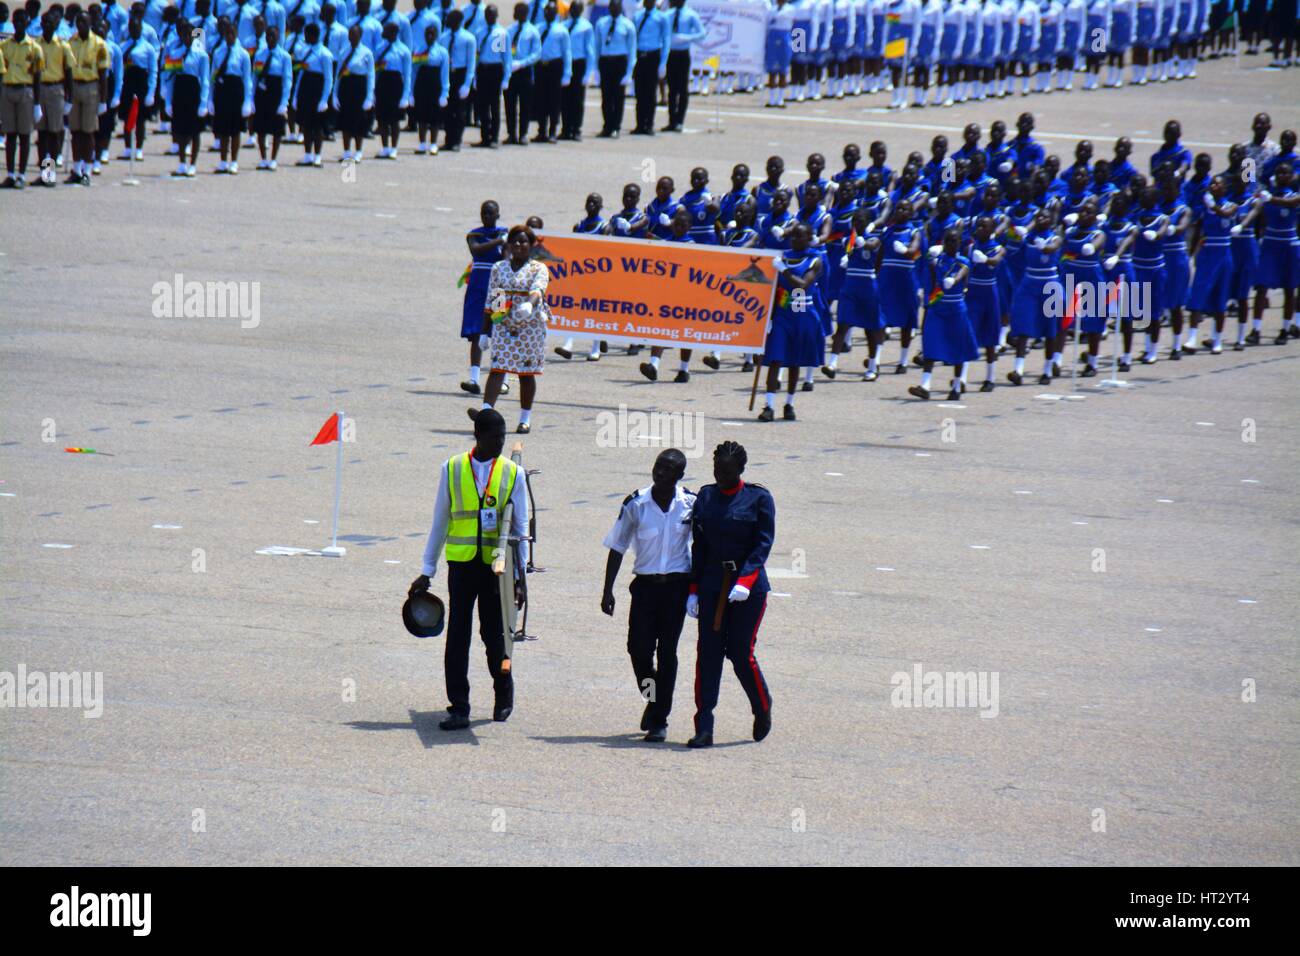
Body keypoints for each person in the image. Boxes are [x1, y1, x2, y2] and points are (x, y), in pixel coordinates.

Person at [410, 408, 528, 731]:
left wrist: (520, 578)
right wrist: (427, 569)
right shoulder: (451, 469)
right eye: (495, 438)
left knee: (494, 637)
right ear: (478, 436)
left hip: (496, 571)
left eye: (504, 438)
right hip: (461, 566)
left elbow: (520, 529)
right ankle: (458, 706)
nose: (501, 443)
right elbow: (439, 522)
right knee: (458, 636)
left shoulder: (512, 473)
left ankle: (503, 689)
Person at [601, 448, 695, 743]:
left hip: (676, 589)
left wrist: (698, 591)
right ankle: (653, 698)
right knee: (639, 651)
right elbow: (617, 546)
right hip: (645, 588)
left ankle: (659, 719)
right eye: (658, 467)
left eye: (668, 470)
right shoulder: (636, 504)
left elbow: (704, 546)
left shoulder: (691, 504)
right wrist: (607, 589)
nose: (661, 473)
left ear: (679, 476)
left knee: (668, 654)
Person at [685, 441, 774, 749]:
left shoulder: (758, 498)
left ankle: (761, 705)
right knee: (707, 656)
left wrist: (746, 581)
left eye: (726, 471)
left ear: (740, 470)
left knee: (739, 653)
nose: (720, 475)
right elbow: (699, 546)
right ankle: (704, 726)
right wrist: (694, 590)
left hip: (747, 589)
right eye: (716, 470)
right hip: (712, 585)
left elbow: (762, 544)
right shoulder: (706, 497)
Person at [471, 223, 550, 434]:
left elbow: (538, 290)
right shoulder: (499, 268)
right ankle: (485, 415)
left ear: (531, 245)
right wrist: (486, 332)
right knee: (497, 369)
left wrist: (529, 304)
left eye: (523, 241)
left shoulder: (538, 268)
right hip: (503, 325)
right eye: (515, 241)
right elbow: (494, 298)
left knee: (526, 373)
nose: (519, 245)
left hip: (530, 327)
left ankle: (525, 419)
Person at [759, 221, 824, 420]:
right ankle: (769, 406)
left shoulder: (815, 259)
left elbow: (802, 285)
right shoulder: (782, 256)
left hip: (804, 316)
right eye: (793, 235)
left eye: (800, 236)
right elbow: (768, 288)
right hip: (783, 315)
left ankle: (789, 403)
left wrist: (783, 270)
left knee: (795, 362)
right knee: (776, 359)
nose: (795, 239)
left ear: (809, 238)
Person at [461, 200, 508, 394]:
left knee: (499, 332)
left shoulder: (506, 234)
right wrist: (500, 241)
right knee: (476, 331)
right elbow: (476, 249)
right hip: (478, 286)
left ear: (498, 215)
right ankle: (474, 378)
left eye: (491, 213)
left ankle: (502, 381)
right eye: (484, 213)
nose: (487, 216)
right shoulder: (475, 235)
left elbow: (506, 258)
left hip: (498, 288)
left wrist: (506, 243)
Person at [162, 17, 208, 176]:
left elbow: (205, 80)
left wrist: (203, 103)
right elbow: (170, 77)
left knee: (194, 131)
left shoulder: (201, 54)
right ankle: (182, 163)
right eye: (183, 34)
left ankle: (193, 164)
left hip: (193, 90)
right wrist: (168, 100)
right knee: (180, 130)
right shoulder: (174, 52)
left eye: (189, 34)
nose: (186, 37)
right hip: (179, 90)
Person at [1, 9, 41, 188]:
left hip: (34, 92)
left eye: (22, 21)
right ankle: (12, 174)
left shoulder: (35, 47)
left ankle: (82, 169)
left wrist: (37, 104)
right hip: (10, 90)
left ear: (28, 23)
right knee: (11, 134)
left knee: (50, 135)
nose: (18, 24)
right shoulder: (5, 46)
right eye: (15, 21)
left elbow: (38, 76)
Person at [67, 11, 108, 185]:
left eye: (84, 22)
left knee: (88, 131)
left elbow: (103, 74)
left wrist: (103, 100)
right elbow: (67, 69)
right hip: (75, 86)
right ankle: (76, 168)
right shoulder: (71, 42)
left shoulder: (99, 44)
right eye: (78, 22)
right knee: (75, 131)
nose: (81, 25)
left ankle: (88, 170)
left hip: (91, 86)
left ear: (90, 23)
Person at [331, 21, 373, 162]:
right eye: (350, 34)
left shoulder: (366, 53)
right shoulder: (344, 51)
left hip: (359, 86)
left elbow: (371, 75)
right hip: (346, 86)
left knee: (359, 121)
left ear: (360, 35)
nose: (352, 37)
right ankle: (347, 151)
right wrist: (335, 94)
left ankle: (359, 150)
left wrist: (369, 96)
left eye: (355, 34)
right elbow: (338, 74)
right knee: (346, 121)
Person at [292, 20, 332, 166]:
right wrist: (296, 95)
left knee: (317, 126)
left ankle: (318, 155)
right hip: (305, 88)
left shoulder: (324, 54)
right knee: (306, 124)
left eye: (307, 35)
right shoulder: (304, 51)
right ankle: (308, 154)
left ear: (313, 35)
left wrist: (324, 99)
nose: (305, 38)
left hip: (317, 88)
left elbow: (328, 78)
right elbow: (301, 73)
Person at [116, 13, 156, 162]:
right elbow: (119, 69)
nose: (134, 30)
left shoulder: (148, 48)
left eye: (137, 27)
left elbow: (153, 71)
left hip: (141, 82)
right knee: (127, 117)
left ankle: (139, 148)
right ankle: (128, 148)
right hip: (128, 82)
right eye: (131, 28)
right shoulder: (123, 46)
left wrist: (151, 92)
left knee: (140, 119)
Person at [252, 23, 292, 168]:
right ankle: (263, 158)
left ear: (278, 37)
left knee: (276, 128)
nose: (270, 38)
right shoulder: (259, 54)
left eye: (273, 36)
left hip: (276, 92)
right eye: (268, 35)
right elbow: (255, 76)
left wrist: (284, 102)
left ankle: (273, 159)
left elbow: (287, 80)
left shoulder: (284, 57)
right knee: (261, 128)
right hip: (262, 93)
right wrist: (251, 98)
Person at [372, 19, 411, 159]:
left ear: (393, 32)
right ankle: (385, 147)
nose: (383, 32)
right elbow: (375, 70)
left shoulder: (403, 50)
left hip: (396, 84)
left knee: (394, 119)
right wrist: (373, 89)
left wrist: (406, 95)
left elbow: (407, 74)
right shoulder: (379, 48)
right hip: (383, 82)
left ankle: (394, 147)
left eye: (386, 30)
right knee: (382, 118)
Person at [593, 0, 633, 138]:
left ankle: (616, 126)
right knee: (606, 97)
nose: (614, 9)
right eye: (612, 6)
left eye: (616, 7)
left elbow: (632, 50)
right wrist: (595, 69)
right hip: (605, 61)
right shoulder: (601, 23)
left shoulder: (627, 25)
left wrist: (629, 72)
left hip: (619, 61)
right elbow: (597, 46)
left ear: (621, 7)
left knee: (618, 97)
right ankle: (607, 125)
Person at [473, 2, 509, 148]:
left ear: (496, 16)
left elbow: (505, 57)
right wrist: (475, 75)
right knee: (482, 105)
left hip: (495, 70)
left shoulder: (500, 33)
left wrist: (506, 77)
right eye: (487, 15)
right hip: (483, 69)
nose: (489, 17)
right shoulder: (480, 32)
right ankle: (484, 136)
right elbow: (476, 55)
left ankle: (494, 137)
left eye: (492, 15)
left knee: (494, 106)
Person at [530, 1, 567, 142]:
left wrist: (567, 72)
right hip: (540, 66)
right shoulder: (537, 29)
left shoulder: (561, 30)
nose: (548, 14)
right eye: (546, 12)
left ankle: (552, 131)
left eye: (551, 12)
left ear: (556, 13)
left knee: (554, 100)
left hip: (554, 66)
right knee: (541, 99)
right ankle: (542, 130)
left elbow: (566, 52)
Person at [502, 1, 538, 146]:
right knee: (510, 104)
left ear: (524, 13)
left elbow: (536, 53)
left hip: (524, 70)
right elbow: (502, 49)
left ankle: (523, 134)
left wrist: (522, 63)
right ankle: (511, 133)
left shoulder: (532, 31)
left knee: (525, 104)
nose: (514, 14)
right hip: (511, 71)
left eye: (517, 11)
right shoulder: (508, 30)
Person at [439, 7, 474, 151]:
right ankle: (448, 138)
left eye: (451, 19)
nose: (448, 21)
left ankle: (457, 140)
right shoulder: (444, 37)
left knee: (459, 110)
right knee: (447, 109)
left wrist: (467, 83)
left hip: (460, 73)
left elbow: (471, 62)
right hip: (448, 74)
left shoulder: (468, 38)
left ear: (459, 21)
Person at [410, 19, 447, 154]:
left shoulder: (442, 52)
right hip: (421, 85)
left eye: (432, 34)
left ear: (436, 35)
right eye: (427, 34)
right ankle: (422, 143)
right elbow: (413, 72)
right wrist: (410, 92)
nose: (429, 37)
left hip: (435, 85)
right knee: (422, 116)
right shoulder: (419, 50)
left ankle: (433, 143)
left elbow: (444, 74)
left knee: (434, 117)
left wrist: (444, 92)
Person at [559, 0, 590, 140]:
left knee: (577, 98)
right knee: (565, 98)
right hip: (566, 62)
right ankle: (566, 128)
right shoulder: (563, 25)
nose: (574, 11)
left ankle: (576, 129)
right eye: (572, 8)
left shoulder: (586, 27)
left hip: (579, 63)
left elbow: (590, 50)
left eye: (577, 9)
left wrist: (589, 72)